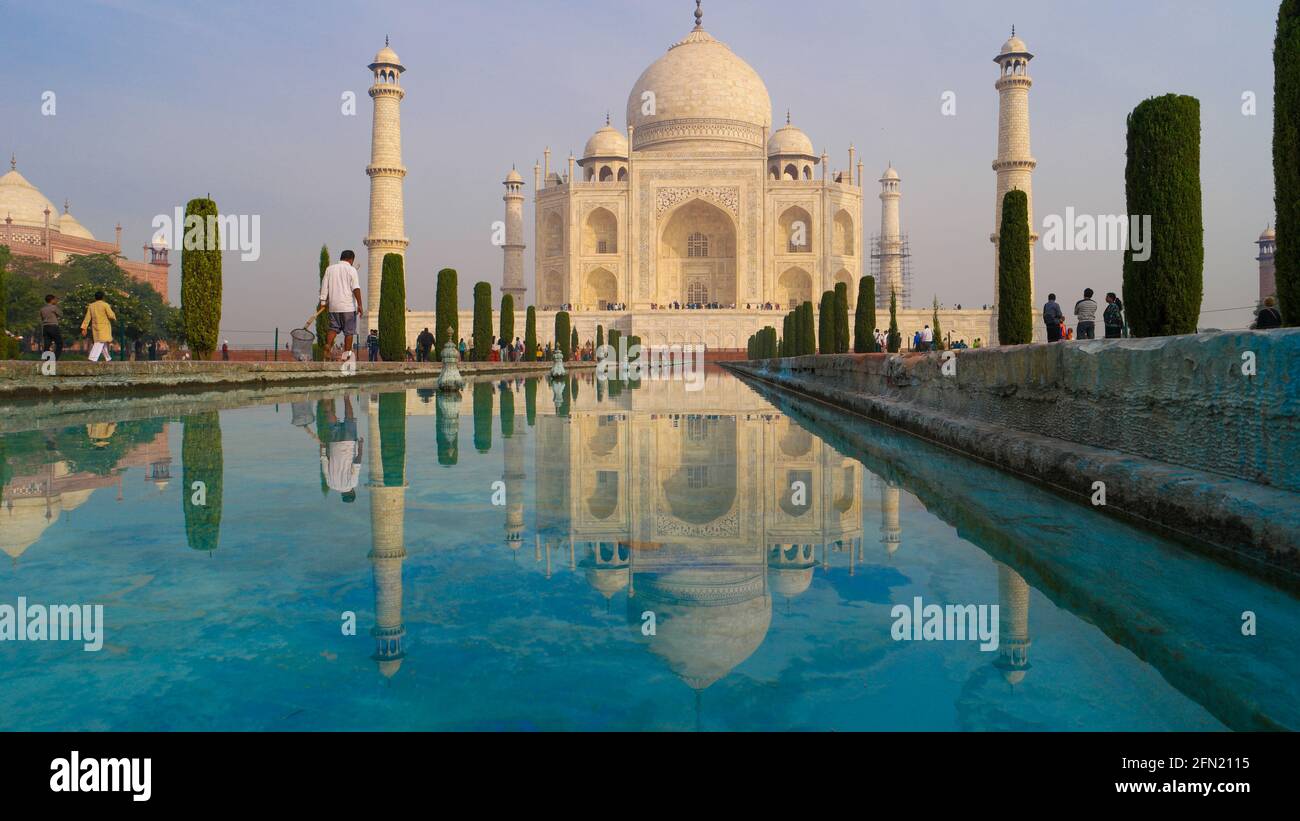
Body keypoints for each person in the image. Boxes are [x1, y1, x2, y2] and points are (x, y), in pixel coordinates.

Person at [318, 250, 363, 360]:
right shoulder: (351, 270)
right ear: (351, 259)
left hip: (334, 306)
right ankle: (346, 355)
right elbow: (356, 288)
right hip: (348, 307)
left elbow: (324, 287)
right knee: (349, 332)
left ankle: (328, 345)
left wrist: (323, 302)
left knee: (333, 328)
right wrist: (360, 305)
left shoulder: (330, 269)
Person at [317, 396, 363, 503]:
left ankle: (346, 396)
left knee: (349, 419)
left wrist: (360, 446)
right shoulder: (331, 484)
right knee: (333, 424)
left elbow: (357, 464)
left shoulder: (352, 484)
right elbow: (325, 465)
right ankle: (326, 396)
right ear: (342, 495)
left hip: (348, 445)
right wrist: (323, 449)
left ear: (352, 492)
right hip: (334, 447)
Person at [80, 290, 117, 362]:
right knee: (99, 343)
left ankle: (108, 358)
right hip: (104, 326)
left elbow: (87, 317)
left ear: (95, 297)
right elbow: (111, 315)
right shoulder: (105, 305)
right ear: (103, 297)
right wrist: (114, 317)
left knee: (102, 342)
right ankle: (92, 358)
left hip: (95, 326)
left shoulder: (91, 306)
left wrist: (84, 328)